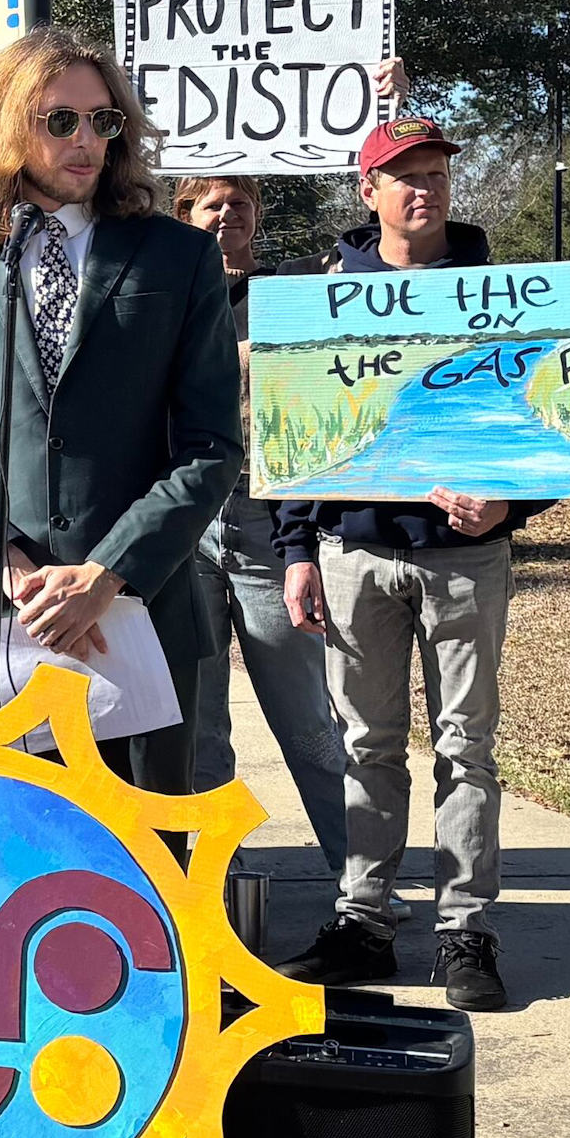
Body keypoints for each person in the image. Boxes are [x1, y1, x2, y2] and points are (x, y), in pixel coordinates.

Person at [0, 28, 242, 790]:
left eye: (103, 121)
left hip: (136, 623)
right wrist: (5, 564)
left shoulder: (178, 257)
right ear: (4, 126)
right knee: (0, 847)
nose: (86, 141)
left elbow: (210, 446)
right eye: (61, 120)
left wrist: (106, 574)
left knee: (139, 855)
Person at [267, 114, 537, 1012]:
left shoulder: (501, 295)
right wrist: (296, 546)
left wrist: (509, 505)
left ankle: (466, 931)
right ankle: (364, 924)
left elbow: (551, 432)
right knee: (365, 745)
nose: (423, 188)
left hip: (466, 558)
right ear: (368, 190)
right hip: (352, 550)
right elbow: (299, 434)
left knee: (466, 747)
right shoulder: (326, 298)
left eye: (435, 173)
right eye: (404, 175)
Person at [167, 175, 352, 873]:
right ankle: (218, 877)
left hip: (266, 517)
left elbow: (377, 253)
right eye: (211, 203)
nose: (227, 214)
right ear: (183, 215)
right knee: (199, 724)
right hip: (182, 522)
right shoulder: (162, 296)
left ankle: (360, 881)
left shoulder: (294, 290)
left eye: (239, 202)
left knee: (306, 718)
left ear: (258, 213)